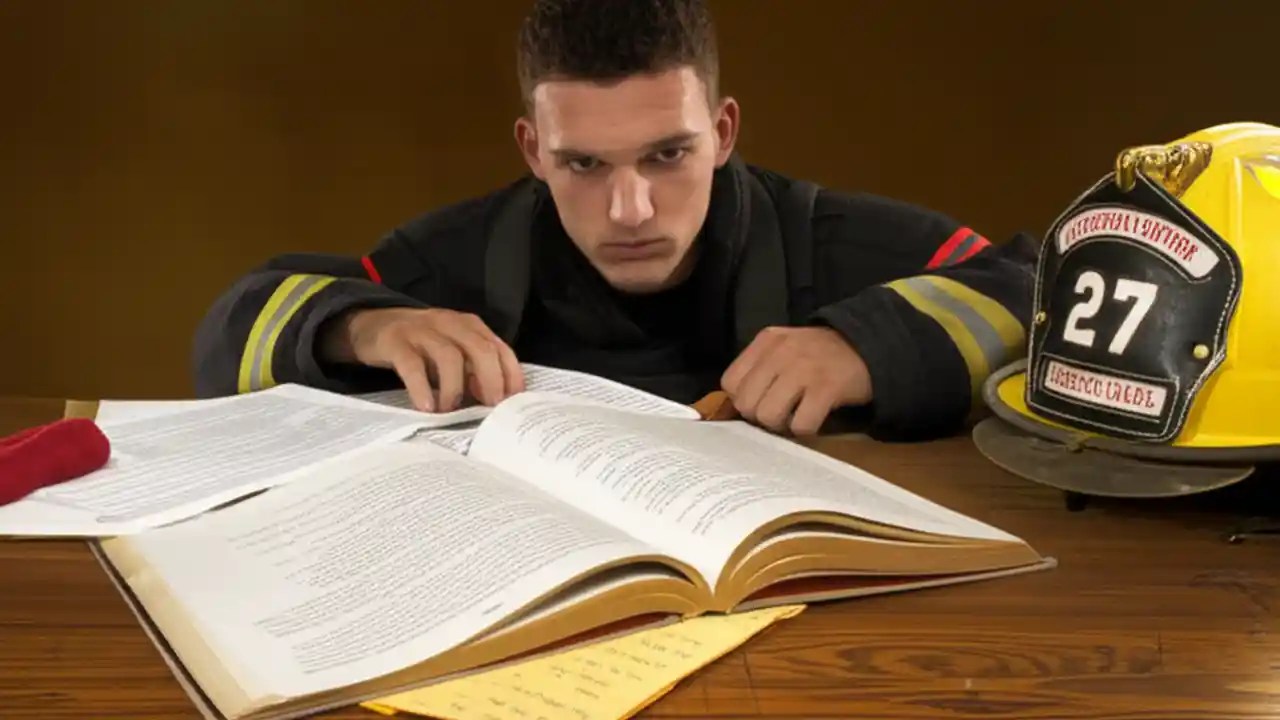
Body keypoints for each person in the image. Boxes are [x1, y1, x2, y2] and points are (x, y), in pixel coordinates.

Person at [192, 0, 1038, 440]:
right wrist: (364, 331)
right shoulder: (454, 256)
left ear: (724, 133)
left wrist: (867, 345)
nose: (630, 210)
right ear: (533, 150)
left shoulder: (838, 240)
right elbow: (227, 334)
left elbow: (1040, 292)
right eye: (584, 165)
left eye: (668, 155)